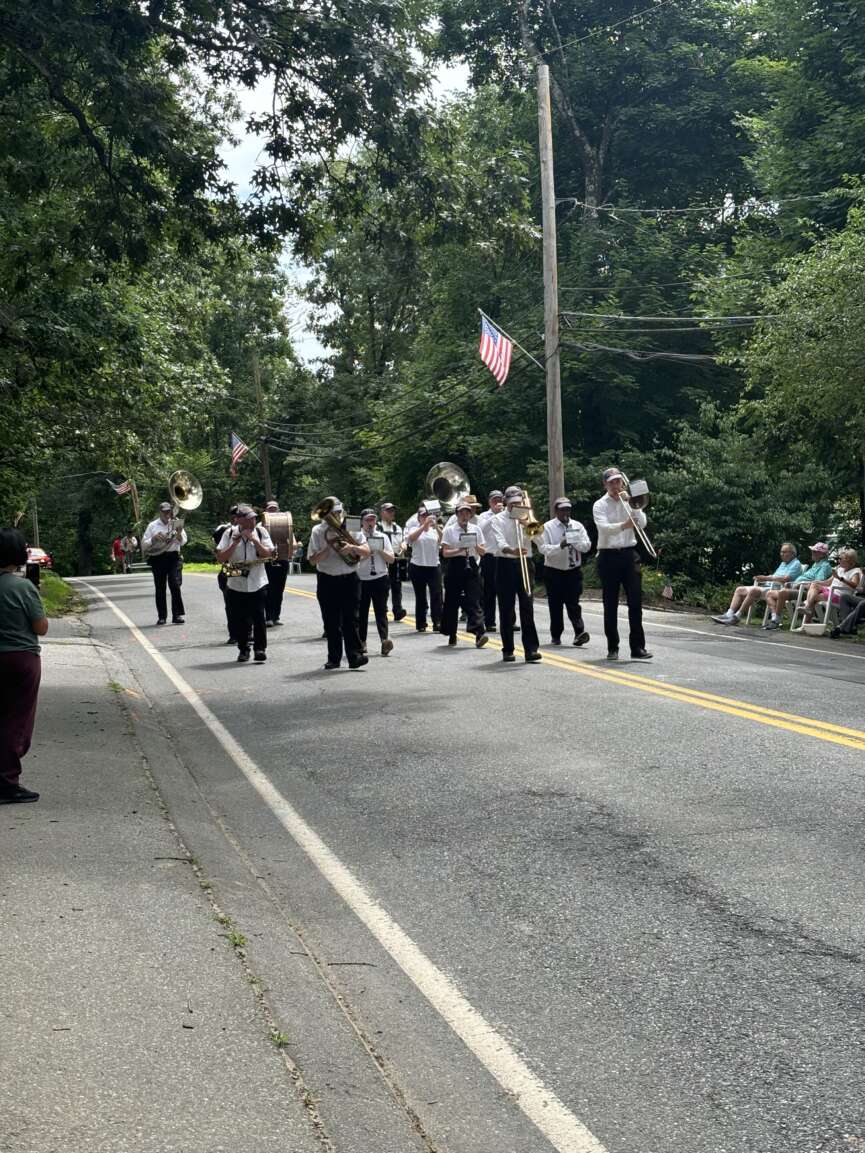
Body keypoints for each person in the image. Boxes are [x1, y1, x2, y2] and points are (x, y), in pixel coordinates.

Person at [0, 527, 48, 803]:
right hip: (20, 657)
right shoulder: (22, 587)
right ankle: (7, 781)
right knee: (16, 720)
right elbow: (40, 627)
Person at [592, 467, 652, 660]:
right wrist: (624, 525)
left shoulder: (630, 501)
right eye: (611, 482)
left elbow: (642, 524)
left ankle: (638, 648)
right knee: (610, 604)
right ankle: (612, 647)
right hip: (608, 556)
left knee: (635, 602)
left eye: (618, 482)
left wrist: (634, 505)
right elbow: (604, 528)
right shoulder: (599, 505)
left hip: (628, 554)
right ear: (605, 484)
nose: (615, 485)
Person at [309, 497, 370, 670]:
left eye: (337, 513)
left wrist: (352, 548)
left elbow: (366, 552)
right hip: (327, 579)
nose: (335, 516)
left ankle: (355, 656)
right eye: (332, 513)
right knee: (331, 621)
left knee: (351, 619)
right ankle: (334, 658)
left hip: (350, 578)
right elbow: (313, 561)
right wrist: (328, 548)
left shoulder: (352, 525)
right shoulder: (318, 531)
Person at [215, 505, 274, 663]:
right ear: (239, 520)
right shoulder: (229, 533)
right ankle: (243, 649)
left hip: (258, 581)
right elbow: (221, 558)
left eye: (254, 518)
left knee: (258, 617)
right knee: (240, 618)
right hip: (236, 582)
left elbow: (268, 554)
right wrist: (235, 543)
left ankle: (260, 649)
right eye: (249, 518)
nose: (253, 521)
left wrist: (254, 540)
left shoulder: (261, 532)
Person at [490, 486, 542, 664]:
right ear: (506, 503)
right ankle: (508, 649)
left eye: (518, 503)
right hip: (505, 563)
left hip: (525, 563)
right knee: (506, 608)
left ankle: (531, 649)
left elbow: (540, 541)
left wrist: (527, 524)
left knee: (527, 606)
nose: (515, 507)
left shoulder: (527, 517)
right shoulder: (497, 519)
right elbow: (499, 543)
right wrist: (512, 551)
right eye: (512, 504)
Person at [538, 497, 592, 647]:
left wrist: (575, 542)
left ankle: (579, 632)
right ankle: (556, 635)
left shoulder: (577, 525)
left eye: (568, 509)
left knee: (573, 603)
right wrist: (560, 545)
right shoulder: (547, 527)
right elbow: (544, 549)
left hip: (573, 570)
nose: (565, 513)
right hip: (554, 571)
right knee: (555, 605)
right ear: (556, 511)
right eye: (562, 510)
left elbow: (587, 546)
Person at [711, 542, 803, 626]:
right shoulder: (783, 564)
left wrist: (766, 577)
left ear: (792, 553)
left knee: (754, 590)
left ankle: (737, 617)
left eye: (784, 552)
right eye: (781, 552)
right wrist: (763, 578)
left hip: (777, 588)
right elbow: (774, 576)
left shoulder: (796, 564)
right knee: (739, 589)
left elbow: (784, 579)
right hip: (767, 586)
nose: (781, 554)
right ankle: (729, 614)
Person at [440, 500, 489, 648]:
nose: (464, 515)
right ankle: (452, 633)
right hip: (455, 564)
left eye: (467, 512)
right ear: (457, 514)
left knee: (474, 599)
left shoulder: (476, 529)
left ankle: (479, 632)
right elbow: (445, 553)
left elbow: (483, 551)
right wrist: (460, 549)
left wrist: (474, 544)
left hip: (471, 564)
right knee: (452, 601)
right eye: (461, 512)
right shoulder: (449, 530)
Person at [762, 542, 834, 630]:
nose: (812, 553)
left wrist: (800, 584)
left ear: (822, 554)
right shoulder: (816, 564)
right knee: (769, 594)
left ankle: (775, 622)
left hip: (806, 592)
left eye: (815, 552)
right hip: (797, 588)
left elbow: (818, 582)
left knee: (782, 592)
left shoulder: (824, 566)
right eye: (812, 551)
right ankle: (775, 618)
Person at [142, 502, 187, 625]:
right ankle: (162, 616)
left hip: (173, 557)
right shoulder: (152, 526)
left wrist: (178, 534)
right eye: (165, 512)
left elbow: (184, 541)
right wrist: (153, 538)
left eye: (169, 511)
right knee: (160, 588)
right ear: (160, 512)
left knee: (175, 584)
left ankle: (176, 615)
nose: (167, 514)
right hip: (158, 558)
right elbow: (144, 544)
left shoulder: (176, 522)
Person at [357, 509, 395, 656]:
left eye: (372, 520)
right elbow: (352, 560)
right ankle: (362, 642)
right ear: (362, 522)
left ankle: (384, 641)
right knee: (362, 613)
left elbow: (391, 559)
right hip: (362, 579)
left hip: (380, 578)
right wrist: (367, 554)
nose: (370, 523)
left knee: (381, 611)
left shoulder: (383, 537)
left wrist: (379, 550)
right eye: (367, 520)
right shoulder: (357, 537)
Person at [406, 503, 443, 633]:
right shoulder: (414, 528)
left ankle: (437, 621)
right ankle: (421, 623)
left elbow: (443, 541)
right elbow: (411, 539)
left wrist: (437, 526)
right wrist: (424, 526)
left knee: (437, 594)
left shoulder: (434, 530)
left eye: (427, 515)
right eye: (423, 515)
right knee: (421, 596)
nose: (426, 517)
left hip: (433, 566)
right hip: (417, 566)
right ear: (419, 518)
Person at [800, 548, 862, 626]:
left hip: (840, 597)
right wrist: (816, 582)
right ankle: (807, 613)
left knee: (813, 598)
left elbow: (854, 585)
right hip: (829, 592)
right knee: (814, 585)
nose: (839, 560)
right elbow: (828, 582)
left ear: (849, 561)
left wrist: (840, 578)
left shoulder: (855, 571)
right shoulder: (839, 569)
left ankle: (806, 619)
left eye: (841, 559)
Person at [477, 490, 504, 632]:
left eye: (500, 500)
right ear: (489, 502)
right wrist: (494, 515)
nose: (498, 503)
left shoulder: (507, 515)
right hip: (489, 556)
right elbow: (480, 529)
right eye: (495, 500)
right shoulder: (483, 516)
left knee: (506, 590)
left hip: (505, 555)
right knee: (490, 591)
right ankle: (490, 621)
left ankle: (509, 621)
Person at [213, 505, 241, 645]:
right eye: (234, 514)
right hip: (229, 568)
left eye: (240, 514)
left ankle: (248, 633)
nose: (237, 517)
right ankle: (234, 634)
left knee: (248, 603)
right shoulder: (224, 530)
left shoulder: (253, 530)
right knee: (231, 604)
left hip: (247, 568)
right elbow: (217, 541)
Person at [263, 499, 290, 628]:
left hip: (283, 559)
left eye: (275, 508)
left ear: (278, 510)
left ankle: (276, 616)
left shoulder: (286, 525)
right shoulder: (260, 526)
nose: (273, 511)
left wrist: (293, 546)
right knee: (268, 589)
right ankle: (268, 617)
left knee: (279, 590)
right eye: (270, 509)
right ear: (266, 511)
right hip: (267, 561)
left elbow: (292, 541)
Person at [379, 502, 407, 621]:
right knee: (384, 586)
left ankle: (397, 610)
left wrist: (403, 545)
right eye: (389, 511)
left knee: (397, 585)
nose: (392, 513)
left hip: (396, 558)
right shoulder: (377, 526)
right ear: (382, 512)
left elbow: (402, 541)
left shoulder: (397, 527)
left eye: (393, 511)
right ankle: (382, 610)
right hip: (382, 558)